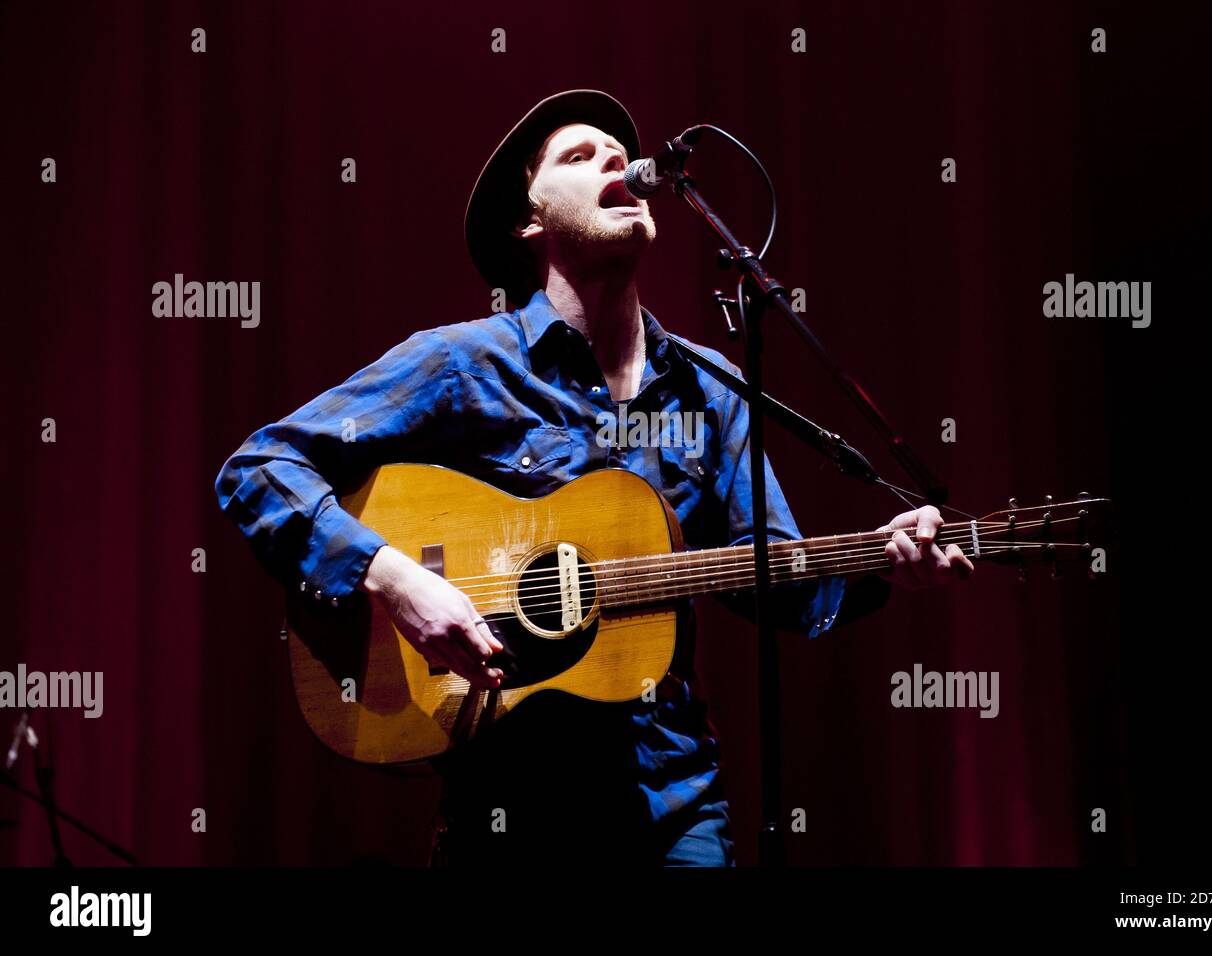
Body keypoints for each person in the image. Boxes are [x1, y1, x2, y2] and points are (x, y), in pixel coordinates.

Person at [214, 89, 972, 867]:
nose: (615, 157)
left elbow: (774, 577)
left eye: (619, 151)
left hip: (674, 805)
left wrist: (885, 564)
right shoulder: (464, 363)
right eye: (580, 156)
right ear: (529, 223)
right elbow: (259, 469)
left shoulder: (709, 389)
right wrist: (399, 583)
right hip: (508, 810)